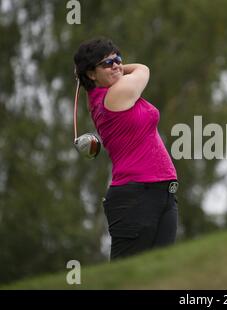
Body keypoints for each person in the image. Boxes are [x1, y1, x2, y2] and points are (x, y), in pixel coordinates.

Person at [73, 37, 178, 260]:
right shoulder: (115, 94)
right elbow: (143, 69)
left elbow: (127, 72)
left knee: (160, 273)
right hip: (136, 196)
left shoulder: (109, 92)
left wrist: (111, 68)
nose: (117, 65)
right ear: (92, 74)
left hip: (163, 191)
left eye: (118, 59)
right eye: (107, 63)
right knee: (128, 278)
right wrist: (122, 68)